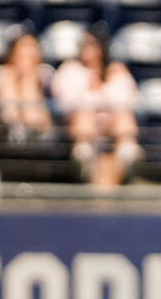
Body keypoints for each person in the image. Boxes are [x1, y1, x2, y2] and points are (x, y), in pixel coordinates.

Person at [51, 30, 139, 185]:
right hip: (79, 126)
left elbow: (128, 100)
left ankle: (126, 154)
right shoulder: (70, 69)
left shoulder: (116, 69)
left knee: (123, 116)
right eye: (82, 44)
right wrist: (94, 91)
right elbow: (66, 102)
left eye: (91, 44)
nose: (86, 49)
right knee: (84, 115)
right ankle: (84, 155)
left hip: (112, 126)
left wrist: (100, 91)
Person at [0, 31, 54, 144]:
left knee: (29, 78)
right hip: (4, 130)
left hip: (41, 130)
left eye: (32, 46)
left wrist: (28, 77)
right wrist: (15, 75)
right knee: (6, 75)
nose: (27, 51)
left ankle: (30, 128)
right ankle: (15, 128)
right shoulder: (0, 72)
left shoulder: (45, 72)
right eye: (23, 46)